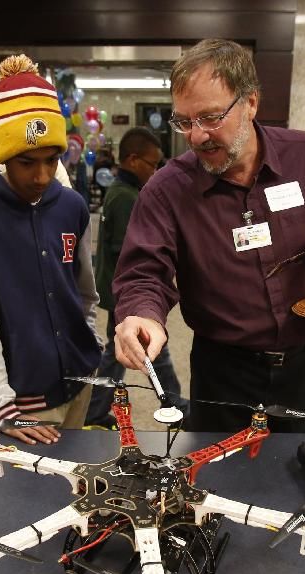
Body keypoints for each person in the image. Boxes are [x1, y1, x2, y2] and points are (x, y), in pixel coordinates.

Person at [113, 39, 305, 434]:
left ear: (251, 103)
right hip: (224, 374)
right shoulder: (166, 190)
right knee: (219, 482)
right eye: (184, 121)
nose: (196, 136)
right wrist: (142, 315)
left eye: (211, 117)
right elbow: (145, 271)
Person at [0, 54, 101, 445]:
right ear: (2, 154)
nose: (42, 175)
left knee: (78, 484)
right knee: (32, 496)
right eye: (27, 162)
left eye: (52, 159)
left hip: (80, 379)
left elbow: (84, 291)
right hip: (23, 399)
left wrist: (91, 343)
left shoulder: (71, 205)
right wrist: (1, 406)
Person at [86, 127, 188, 428]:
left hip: (117, 292)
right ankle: (174, 403)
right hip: (128, 297)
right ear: (132, 160)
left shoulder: (117, 191)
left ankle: (95, 408)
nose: (156, 171)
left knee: (119, 353)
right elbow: (132, 259)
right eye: (152, 164)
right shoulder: (128, 198)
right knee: (155, 350)